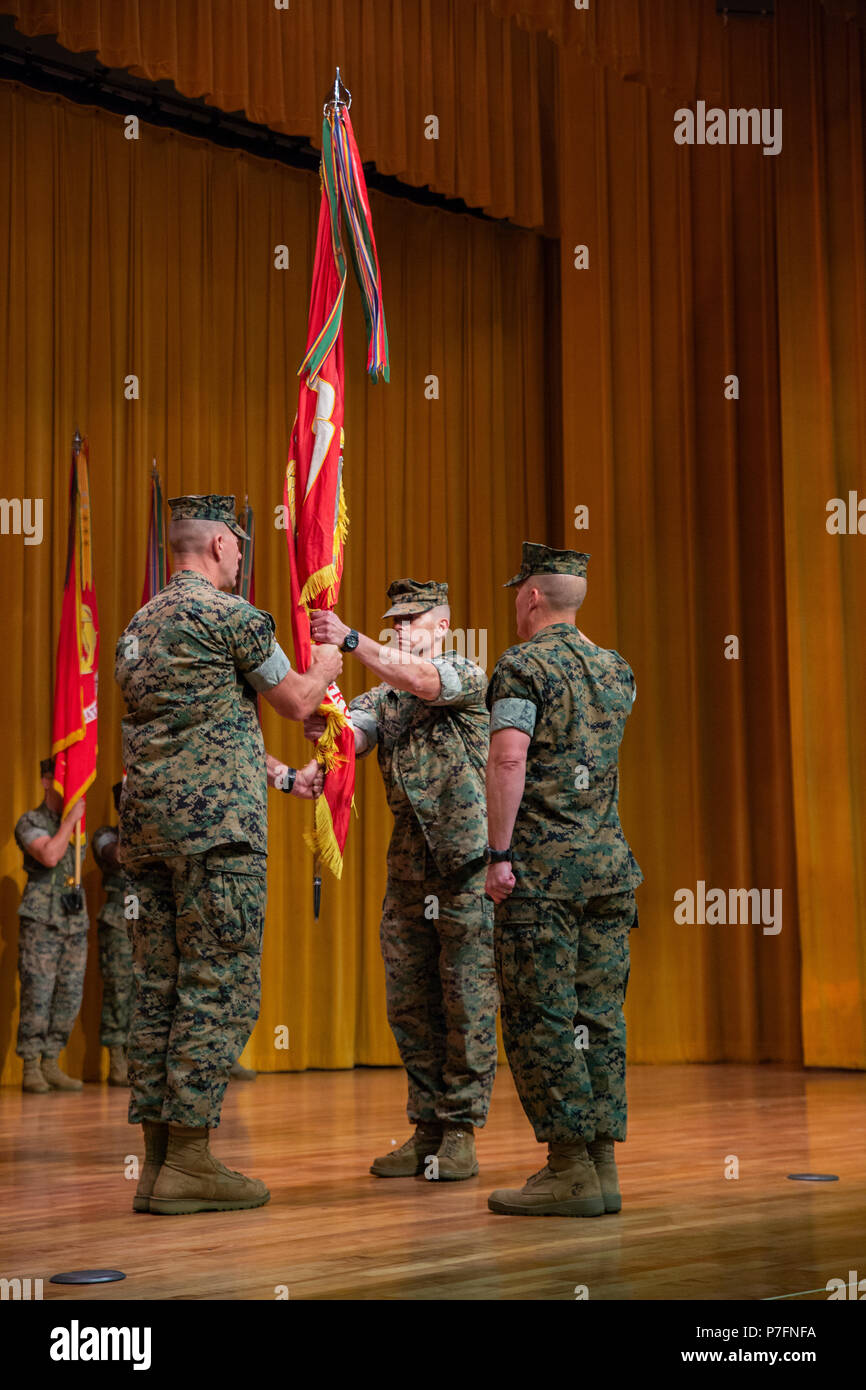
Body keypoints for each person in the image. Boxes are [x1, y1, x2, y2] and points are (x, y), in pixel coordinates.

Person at [115, 493, 342, 1216]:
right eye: (239, 547)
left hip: (149, 833)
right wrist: (336, 652)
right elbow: (299, 700)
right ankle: (189, 1160)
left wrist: (285, 778)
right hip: (218, 841)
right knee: (219, 988)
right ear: (216, 545)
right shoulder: (232, 617)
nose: (242, 558)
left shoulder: (137, 625)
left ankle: (156, 1165)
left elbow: (199, 726)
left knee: (159, 989)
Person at [307, 579, 497, 1182]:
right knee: (410, 1002)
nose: (402, 628)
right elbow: (354, 735)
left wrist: (351, 639)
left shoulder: (464, 670)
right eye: (396, 621)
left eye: (413, 619)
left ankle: (462, 1131)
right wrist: (327, 730)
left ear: (441, 625)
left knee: (465, 999)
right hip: (410, 872)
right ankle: (427, 1129)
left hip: (463, 866)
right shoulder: (382, 698)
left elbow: (423, 683)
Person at [483, 543, 642, 1217]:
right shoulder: (616, 670)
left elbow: (508, 757)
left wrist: (497, 853)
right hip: (608, 870)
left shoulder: (522, 665)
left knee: (541, 1016)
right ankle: (601, 1165)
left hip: (544, 875)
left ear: (530, 597)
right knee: (598, 1016)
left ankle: (570, 1167)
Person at [14, 756, 88, 1093]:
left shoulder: (79, 829)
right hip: (42, 920)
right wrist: (70, 821)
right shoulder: (30, 821)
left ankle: (51, 1060)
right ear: (47, 781)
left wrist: (74, 823)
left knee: (68, 996)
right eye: (62, 780)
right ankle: (31, 1064)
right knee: (38, 994)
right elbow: (50, 856)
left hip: (74, 921)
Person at [91, 781, 132, 1086]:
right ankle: (117, 1058)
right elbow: (118, 855)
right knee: (118, 990)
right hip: (118, 920)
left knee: (147, 994)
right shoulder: (106, 834)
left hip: (146, 918)